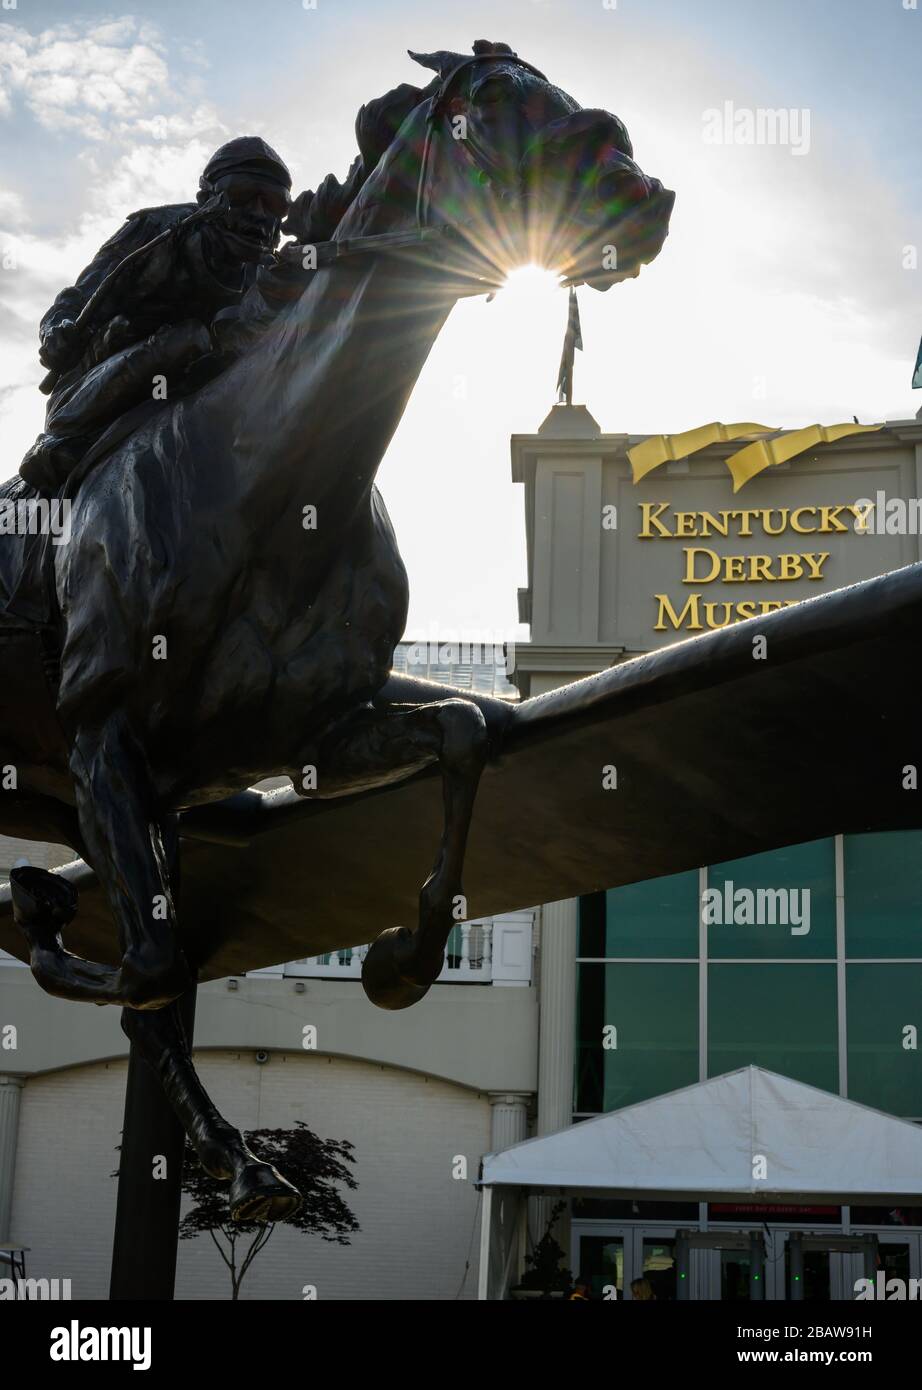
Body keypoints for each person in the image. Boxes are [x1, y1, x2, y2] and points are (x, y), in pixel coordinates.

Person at [20, 136, 293, 494]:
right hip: (99, 376)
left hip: (208, 380)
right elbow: (75, 300)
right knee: (186, 339)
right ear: (207, 199)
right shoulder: (154, 230)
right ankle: (59, 442)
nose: (259, 214)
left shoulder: (268, 271)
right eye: (243, 195)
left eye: (274, 204)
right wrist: (57, 330)